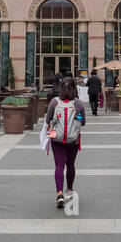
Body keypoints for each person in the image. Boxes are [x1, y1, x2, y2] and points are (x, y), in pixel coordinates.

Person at [46, 78, 87, 210]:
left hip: (56, 139)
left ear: (60, 87)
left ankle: (59, 194)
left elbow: (48, 119)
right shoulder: (78, 104)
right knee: (70, 164)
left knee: (59, 165)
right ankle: (69, 190)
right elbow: (83, 122)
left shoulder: (54, 102)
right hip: (73, 140)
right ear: (75, 88)